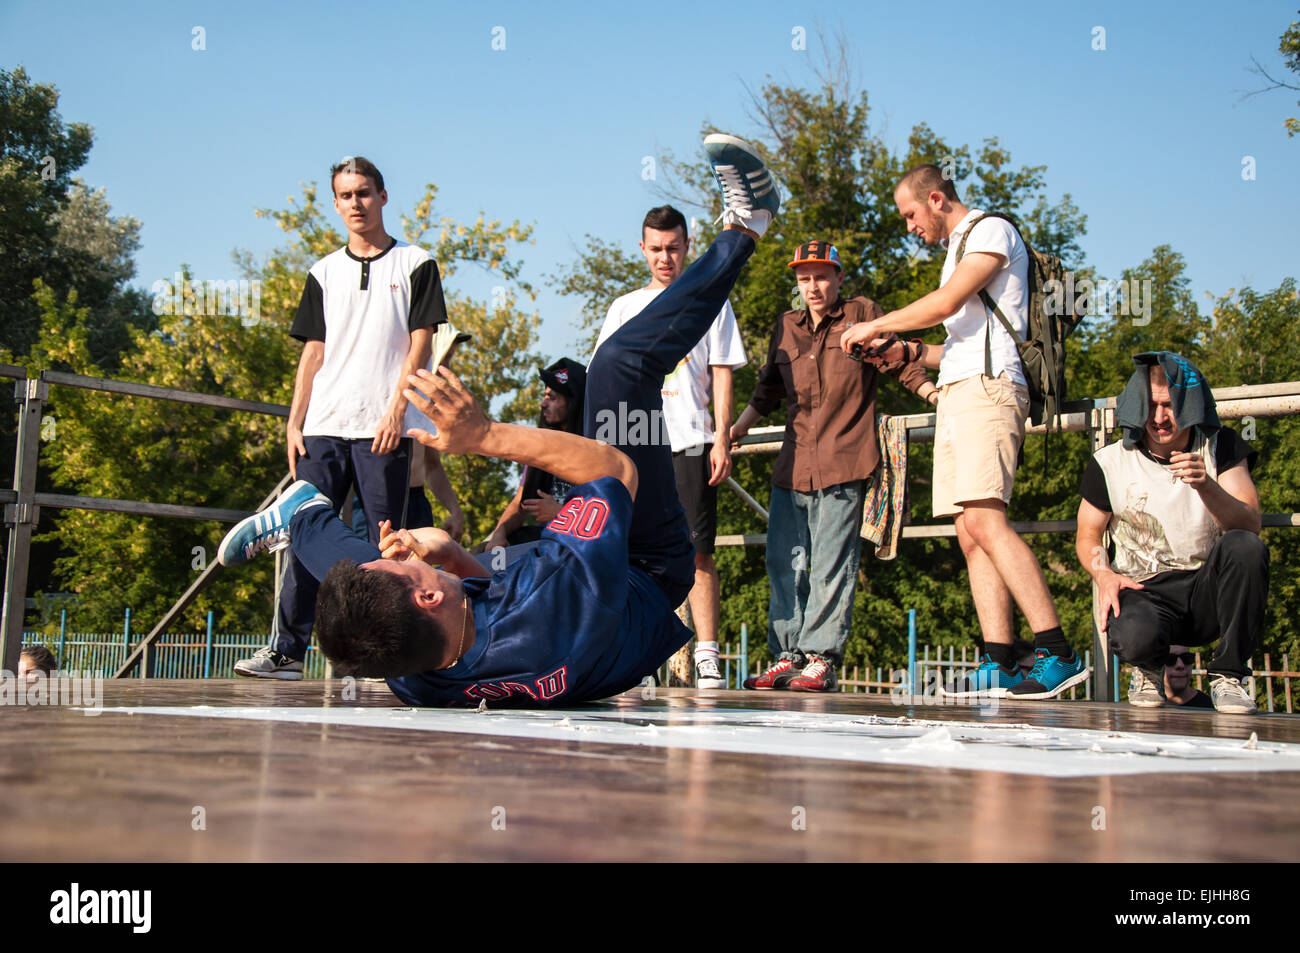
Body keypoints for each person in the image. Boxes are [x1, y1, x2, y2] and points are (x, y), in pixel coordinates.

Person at [218, 134, 779, 706]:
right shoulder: (556, 600)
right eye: (409, 572)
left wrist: (450, 558)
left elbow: (450, 604)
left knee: (371, 581)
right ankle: (747, 225)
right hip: (641, 570)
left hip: (537, 603)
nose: (401, 558)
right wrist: (486, 437)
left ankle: (305, 514)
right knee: (618, 365)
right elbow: (615, 470)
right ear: (430, 598)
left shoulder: (409, 669)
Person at [841, 164, 1082, 700]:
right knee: (970, 531)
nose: (910, 226)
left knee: (986, 519)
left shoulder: (990, 229)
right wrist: (905, 351)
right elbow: (956, 345)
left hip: (989, 388)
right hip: (959, 387)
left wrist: (877, 323)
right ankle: (1001, 660)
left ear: (935, 199)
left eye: (910, 214)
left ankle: (1058, 652)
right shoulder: (957, 249)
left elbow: (946, 304)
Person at [234, 155, 449, 680]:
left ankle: (388, 655)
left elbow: (421, 342)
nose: (357, 203)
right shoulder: (323, 271)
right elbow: (313, 351)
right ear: (335, 204)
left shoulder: (416, 262)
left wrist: (397, 409)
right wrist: (294, 422)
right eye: (346, 195)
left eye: (365, 192)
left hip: (382, 427)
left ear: (383, 197)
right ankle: (287, 652)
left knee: (386, 541)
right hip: (324, 425)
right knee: (301, 532)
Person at [731, 240, 936, 692]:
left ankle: (820, 659)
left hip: (844, 462)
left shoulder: (862, 315)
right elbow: (768, 388)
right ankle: (786, 657)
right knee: (784, 563)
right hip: (792, 466)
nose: (813, 286)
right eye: (804, 278)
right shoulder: (786, 326)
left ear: (839, 278)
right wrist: (737, 428)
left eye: (822, 277)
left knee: (829, 565)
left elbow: (897, 361)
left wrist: (934, 395)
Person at [593, 205, 746, 690]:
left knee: (698, 550)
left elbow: (722, 372)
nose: (665, 257)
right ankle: (634, 654)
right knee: (628, 549)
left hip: (690, 438)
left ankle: (706, 653)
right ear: (642, 249)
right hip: (637, 440)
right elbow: (603, 376)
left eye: (674, 248)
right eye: (656, 249)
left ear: (687, 246)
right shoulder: (624, 307)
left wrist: (722, 436)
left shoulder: (711, 299)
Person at [1075, 352, 1265, 714]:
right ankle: (1147, 669)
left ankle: (1229, 675)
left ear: (1189, 404)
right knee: (1134, 635)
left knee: (1246, 547)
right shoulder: (1109, 461)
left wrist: (1206, 485)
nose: (1159, 418)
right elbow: (1088, 534)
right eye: (1150, 406)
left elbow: (1250, 524)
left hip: (1207, 590)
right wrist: (1103, 574)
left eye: (1169, 406)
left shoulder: (1220, 445)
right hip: (1143, 590)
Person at [478, 358, 587, 551]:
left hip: (580, 546)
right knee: (481, 553)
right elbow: (520, 503)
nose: (543, 404)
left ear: (573, 403)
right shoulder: (541, 450)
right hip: (544, 540)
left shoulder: (595, 451)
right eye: (544, 396)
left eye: (552, 398)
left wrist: (562, 513)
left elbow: (612, 513)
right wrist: (499, 533)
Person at [1162, 645, 1214, 709]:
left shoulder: (1208, 706)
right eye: (1170, 659)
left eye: (1186, 658)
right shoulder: (1149, 705)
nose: (1180, 665)